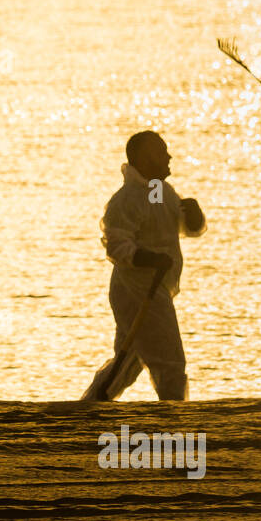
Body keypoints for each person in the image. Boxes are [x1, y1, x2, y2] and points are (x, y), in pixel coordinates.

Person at [84, 131, 206, 401]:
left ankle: (92, 407)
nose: (168, 157)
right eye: (161, 152)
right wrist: (150, 259)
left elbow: (172, 225)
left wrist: (193, 216)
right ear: (143, 157)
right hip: (137, 291)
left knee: (127, 362)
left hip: (155, 288)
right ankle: (174, 414)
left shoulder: (157, 191)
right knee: (170, 361)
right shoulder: (126, 199)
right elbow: (116, 245)